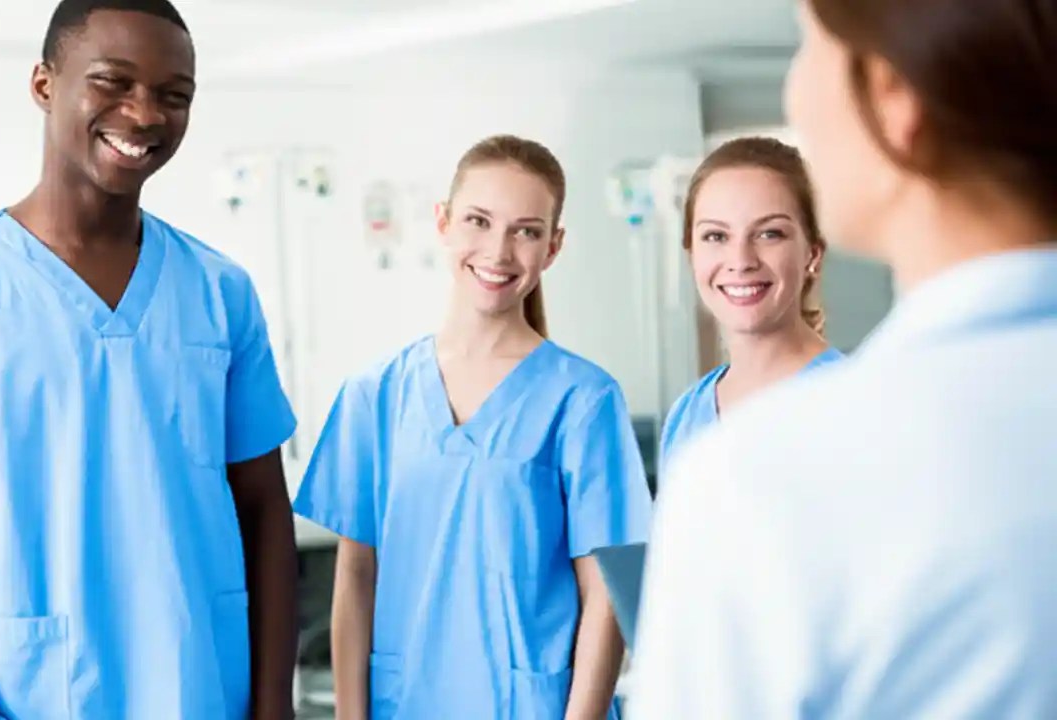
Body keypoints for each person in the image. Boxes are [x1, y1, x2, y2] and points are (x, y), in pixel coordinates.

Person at [0, 2, 299, 718]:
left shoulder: (220, 292)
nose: (145, 114)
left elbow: (262, 510)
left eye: (174, 95)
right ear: (44, 85)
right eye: (113, 82)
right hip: (33, 694)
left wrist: (273, 706)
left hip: (201, 685)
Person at [629, 0, 1057, 717]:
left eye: (810, 45)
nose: (795, 92)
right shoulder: (719, 436)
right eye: (714, 236)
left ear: (892, 95)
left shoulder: (768, 472)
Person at [293, 135, 653, 719]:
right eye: (479, 221)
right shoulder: (375, 394)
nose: (499, 250)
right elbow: (356, 580)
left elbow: (604, 597)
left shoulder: (583, 400)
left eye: (526, 231)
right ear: (443, 222)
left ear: (553, 247)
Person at [657, 137, 844, 478]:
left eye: (769, 234)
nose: (741, 261)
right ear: (691, 254)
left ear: (813, 254)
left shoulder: (850, 403)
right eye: (716, 236)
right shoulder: (685, 416)